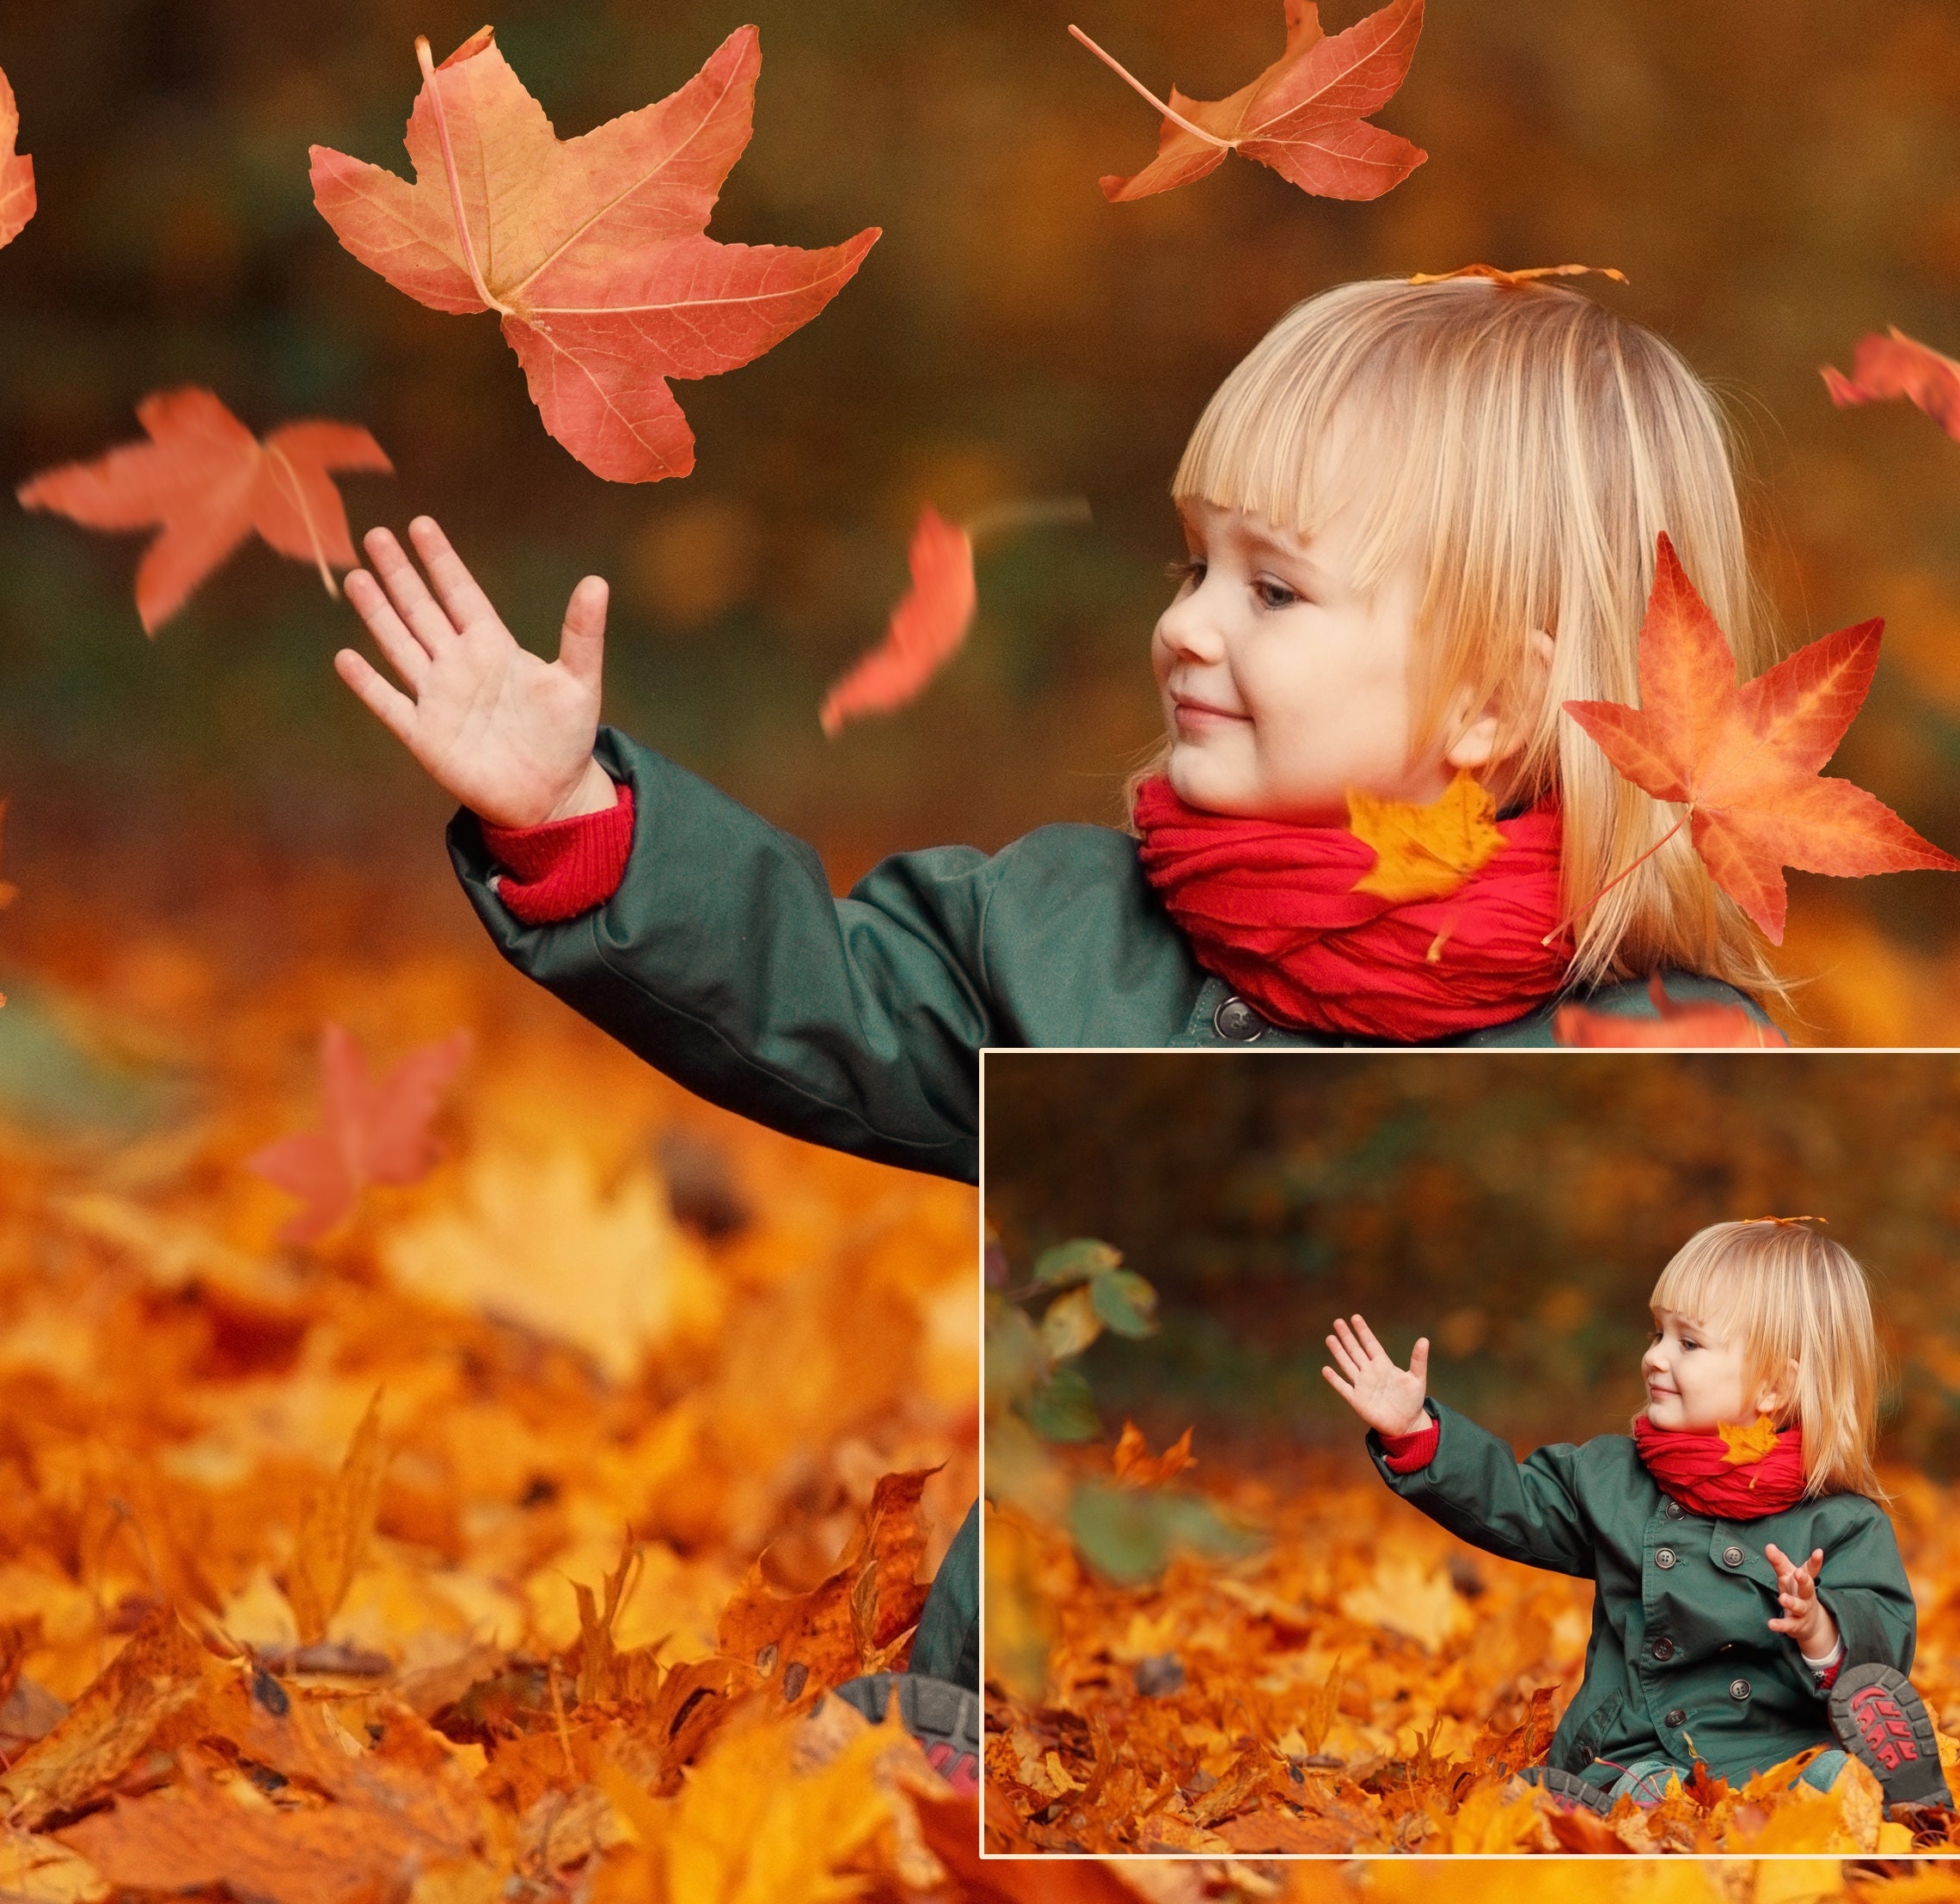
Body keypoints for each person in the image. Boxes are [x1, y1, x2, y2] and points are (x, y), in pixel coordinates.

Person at [332, 275, 1787, 1766]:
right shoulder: (1074, 942)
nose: (1186, 628)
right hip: (1033, 1721)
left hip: (1442, 1749)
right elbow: (819, 997)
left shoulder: (1657, 1056)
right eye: (1192, 567)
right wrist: (582, 824)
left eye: (1271, 590)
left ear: (1489, 702)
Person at [1322, 1219, 1951, 1814]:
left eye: (1689, 1342)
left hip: (1778, 1748)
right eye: (1657, 1334)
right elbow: (1514, 1502)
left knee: (1828, 1777)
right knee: (1642, 1790)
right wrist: (1418, 1434)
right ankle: (1588, 1815)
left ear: (1773, 1390)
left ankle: (1889, 1796)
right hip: (1643, 1743)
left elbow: (1885, 1637)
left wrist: (1820, 1628)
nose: (1655, 1357)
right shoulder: (1612, 1479)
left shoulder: (1840, 1522)